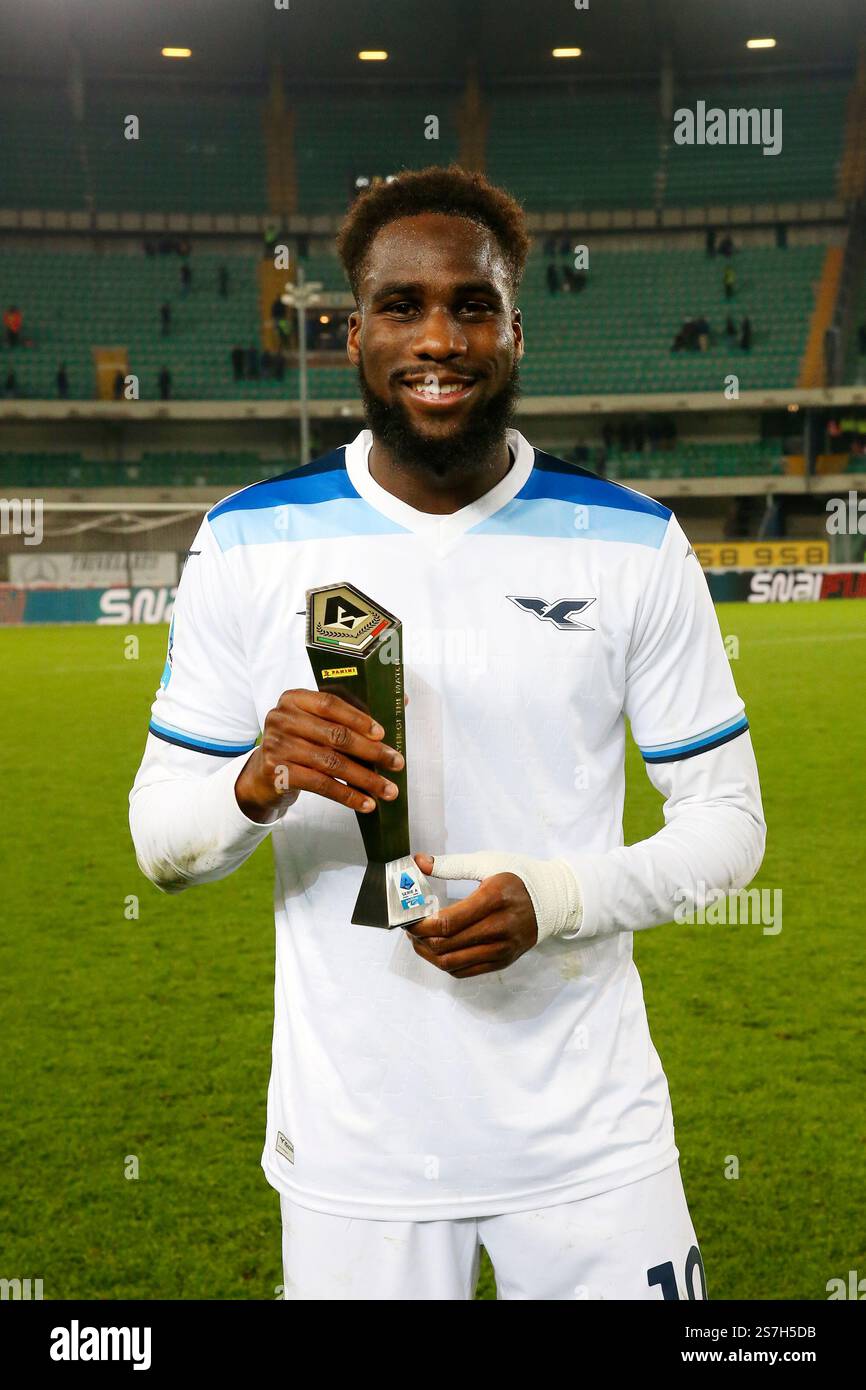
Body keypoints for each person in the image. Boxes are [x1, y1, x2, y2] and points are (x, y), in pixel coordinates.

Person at [129, 164, 765, 1303]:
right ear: (352, 330)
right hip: (354, 1151)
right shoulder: (246, 542)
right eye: (400, 305)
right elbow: (158, 845)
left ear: (515, 328)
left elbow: (727, 826)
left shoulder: (631, 544)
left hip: (589, 1145)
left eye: (472, 305)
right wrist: (259, 780)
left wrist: (555, 900)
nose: (440, 337)